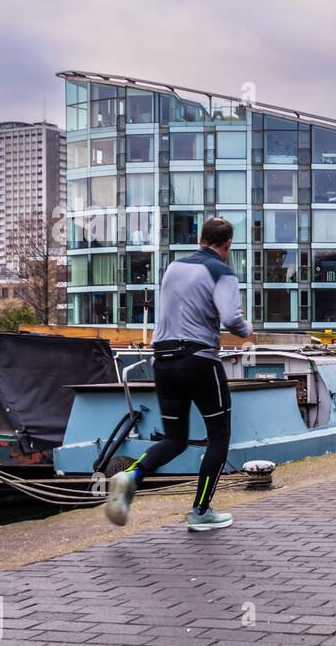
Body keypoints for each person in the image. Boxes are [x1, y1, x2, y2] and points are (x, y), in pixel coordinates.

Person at [105, 216, 253, 531]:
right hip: (199, 361)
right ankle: (201, 511)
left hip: (163, 361)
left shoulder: (173, 268)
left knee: (175, 439)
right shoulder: (221, 272)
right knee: (219, 437)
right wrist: (247, 328)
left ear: (201, 239)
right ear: (227, 244)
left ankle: (131, 476)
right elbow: (231, 319)